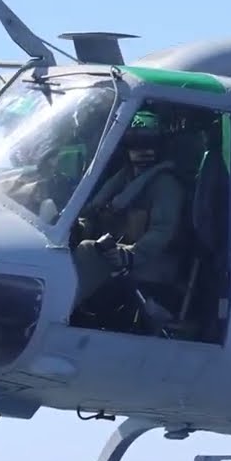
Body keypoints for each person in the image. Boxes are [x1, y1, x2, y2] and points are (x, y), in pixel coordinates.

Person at [72, 108, 189, 326]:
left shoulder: (166, 185)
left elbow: (162, 232)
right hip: (121, 249)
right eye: (135, 142)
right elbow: (95, 208)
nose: (141, 150)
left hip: (157, 261)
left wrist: (130, 255)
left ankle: (57, 309)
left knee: (90, 251)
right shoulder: (126, 176)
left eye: (148, 143)